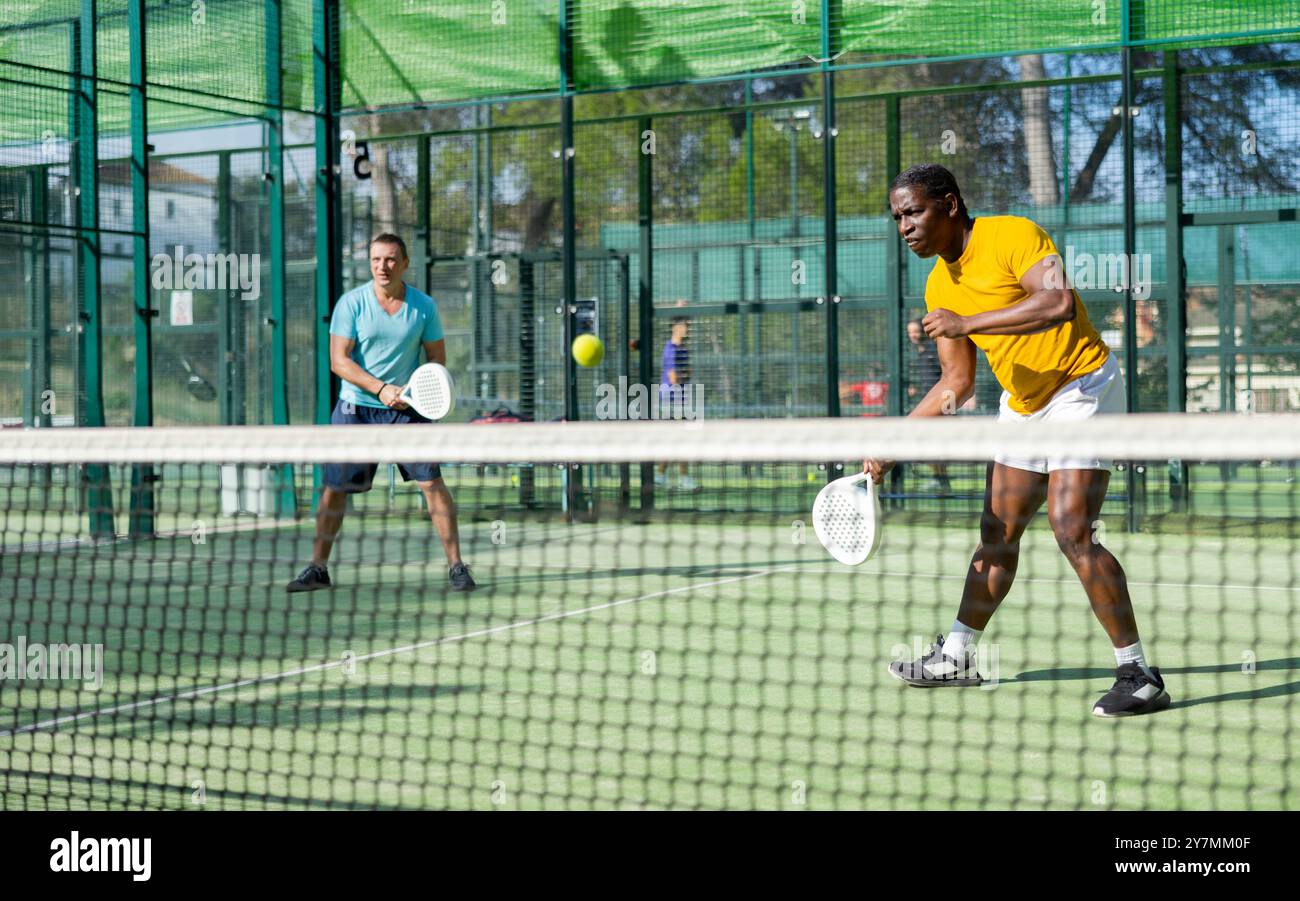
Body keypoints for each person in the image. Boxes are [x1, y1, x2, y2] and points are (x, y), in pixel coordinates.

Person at [871, 163, 1168, 718]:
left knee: (1071, 526)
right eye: (897, 217)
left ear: (950, 205)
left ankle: (1139, 672)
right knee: (996, 533)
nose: (904, 226)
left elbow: (1057, 304)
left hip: (1083, 387)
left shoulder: (1014, 235)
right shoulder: (938, 282)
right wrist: (894, 441)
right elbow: (956, 386)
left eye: (913, 212)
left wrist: (969, 321)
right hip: (1024, 403)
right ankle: (956, 655)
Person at [287, 233, 476, 593]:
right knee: (334, 488)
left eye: (390, 260)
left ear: (404, 263)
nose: (382, 267)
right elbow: (338, 361)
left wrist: (415, 392)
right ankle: (317, 568)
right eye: (375, 260)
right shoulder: (351, 304)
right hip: (355, 409)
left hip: (408, 411)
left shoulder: (424, 307)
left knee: (431, 483)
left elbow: (437, 359)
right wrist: (380, 389)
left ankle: (457, 567)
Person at [906, 318, 951, 493]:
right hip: (929, 402)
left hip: (942, 403)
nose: (913, 336)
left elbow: (951, 379)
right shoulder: (921, 352)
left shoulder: (936, 350)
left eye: (915, 331)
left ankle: (941, 480)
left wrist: (949, 408)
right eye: (910, 332)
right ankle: (941, 480)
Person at [656, 315, 698, 492]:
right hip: (670, 402)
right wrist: (684, 375)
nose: (687, 328)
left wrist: (684, 375)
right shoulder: (671, 349)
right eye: (684, 325)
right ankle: (683, 478)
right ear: (675, 327)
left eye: (688, 325)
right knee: (681, 439)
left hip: (680, 400)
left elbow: (687, 373)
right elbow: (674, 378)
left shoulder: (684, 350)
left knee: (674, 441)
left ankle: (660, 476)